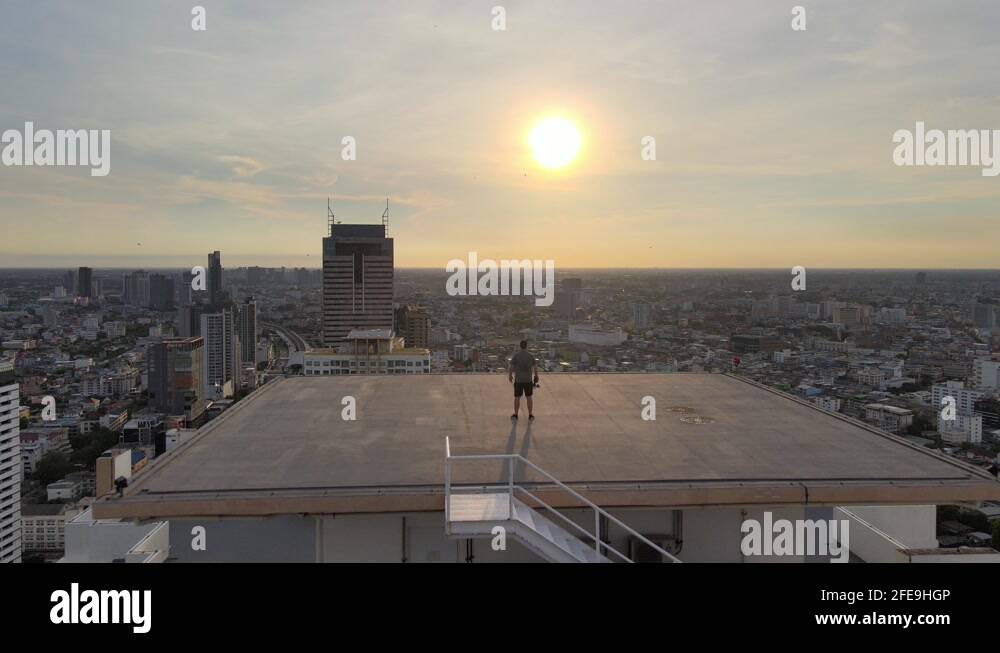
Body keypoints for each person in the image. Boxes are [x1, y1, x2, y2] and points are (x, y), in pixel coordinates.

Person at [508, 340, 538, 421]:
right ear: (526, 346)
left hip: (519, 380)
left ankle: (516, 414)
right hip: (528, 380)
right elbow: (535, 367)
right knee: (529, 397)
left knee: (517, 397)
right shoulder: (530, 355)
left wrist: (510, 375)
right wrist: (536, 376)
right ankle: (530, 414)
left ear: (520, 346)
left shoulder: (516, 355)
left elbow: (511, 366)